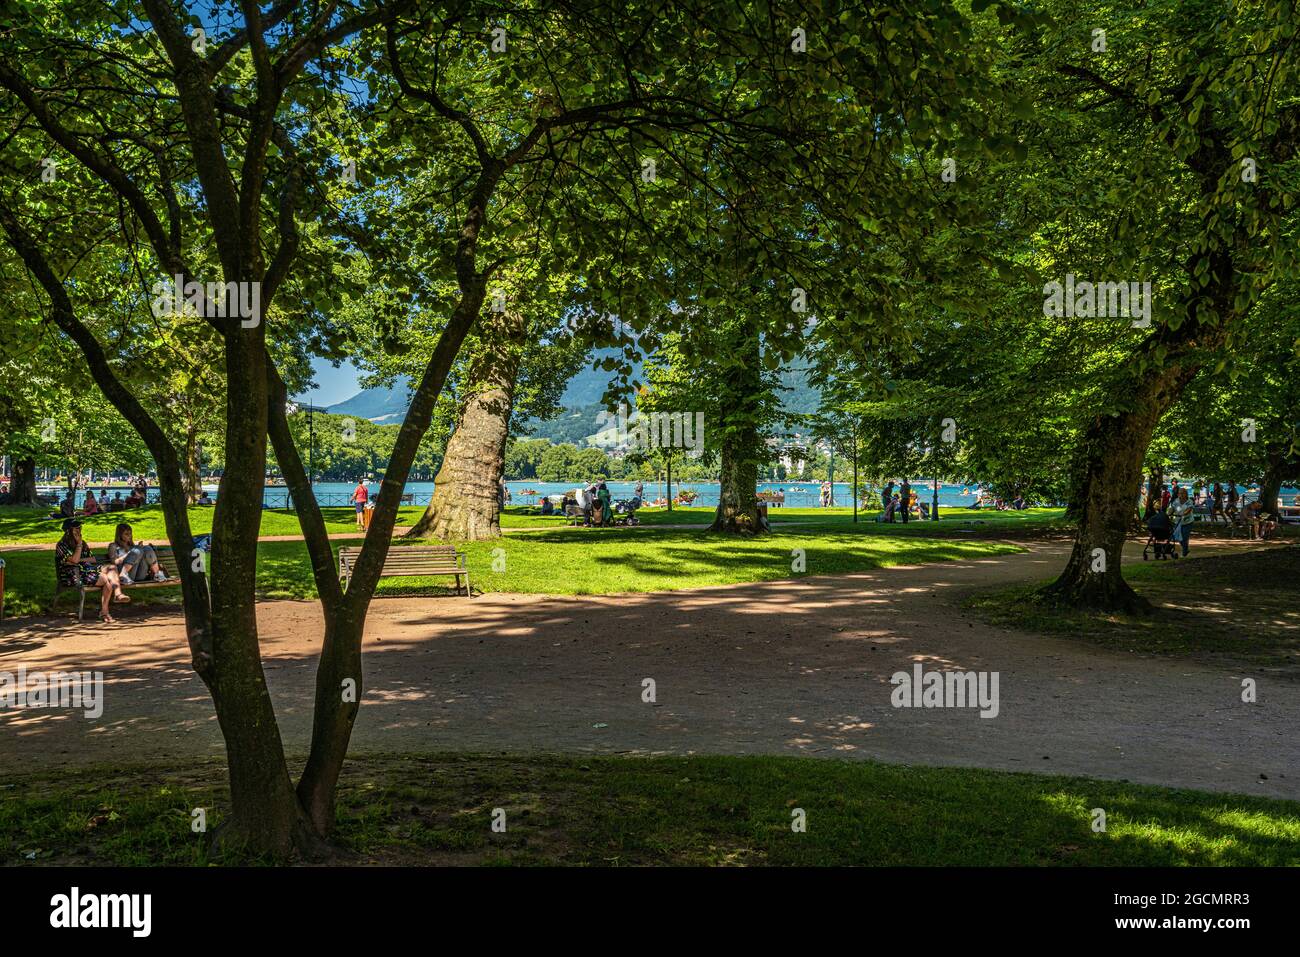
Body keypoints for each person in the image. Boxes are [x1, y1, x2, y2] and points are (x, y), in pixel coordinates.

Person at [54, 519, 129, 622]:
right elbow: (74, 560)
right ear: (68, 531)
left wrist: (79, 559)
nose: (79, 530)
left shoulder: (83, 543)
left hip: (87, 569)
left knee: (112, 568)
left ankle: (118, 594)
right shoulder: (62, 545)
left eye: (80, 527)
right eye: (76, 528)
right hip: (73, 574)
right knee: (105, 579)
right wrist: (79, 545)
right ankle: (104, 612)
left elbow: (92, 559)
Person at [1168, 487, 1194, 558]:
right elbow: (1172, 508)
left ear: (1186, 494)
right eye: (1179, 493)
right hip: (1178, 521)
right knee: (1178, 537)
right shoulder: (1176, 501)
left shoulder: (1189, 501)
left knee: (1185, 537)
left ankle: (1184, 552)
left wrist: (1184, 513)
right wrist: (1168, 513)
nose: (1181, 495)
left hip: (1187, 522)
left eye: (1182, 493)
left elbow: (1189, 509)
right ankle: (1186, 549)